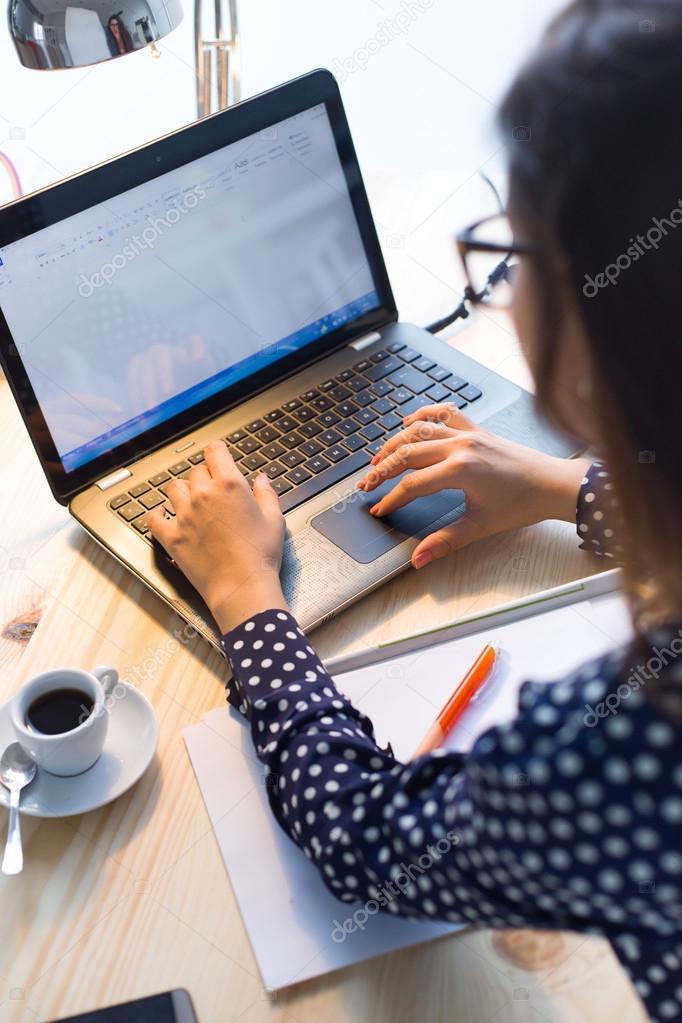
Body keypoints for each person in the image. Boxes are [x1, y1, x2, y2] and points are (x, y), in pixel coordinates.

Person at [148, 2, 682, 1019]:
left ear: (598, 351)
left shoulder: (627, 755)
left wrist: (251, 604)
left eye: (515, 257)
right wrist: (567, 486)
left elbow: (372, 849)